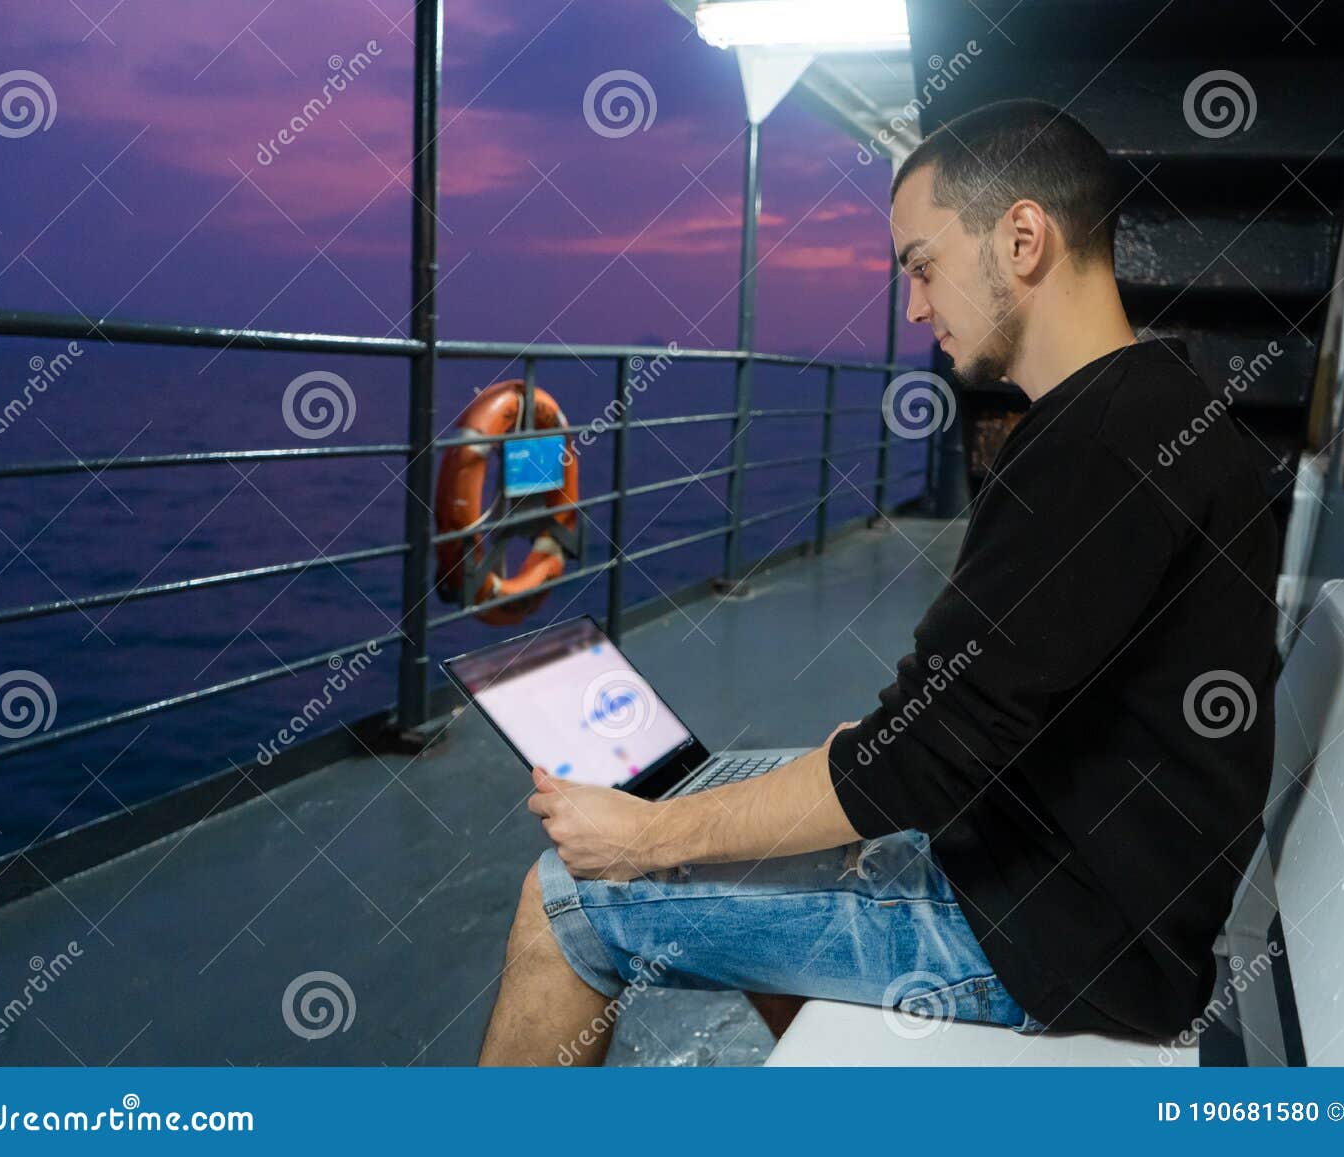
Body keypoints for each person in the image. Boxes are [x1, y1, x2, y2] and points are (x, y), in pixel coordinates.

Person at [477, 97, 1279, 1065]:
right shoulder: (1155, 406)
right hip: (1050, 871)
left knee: (568, 898)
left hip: (1050, 935)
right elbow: (988, 714)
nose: (913, 307)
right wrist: (863, 755)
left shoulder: (1095, 448)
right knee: (722, 799)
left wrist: (644, 841)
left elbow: (918, 764)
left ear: (1022, 237)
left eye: (921, 265)